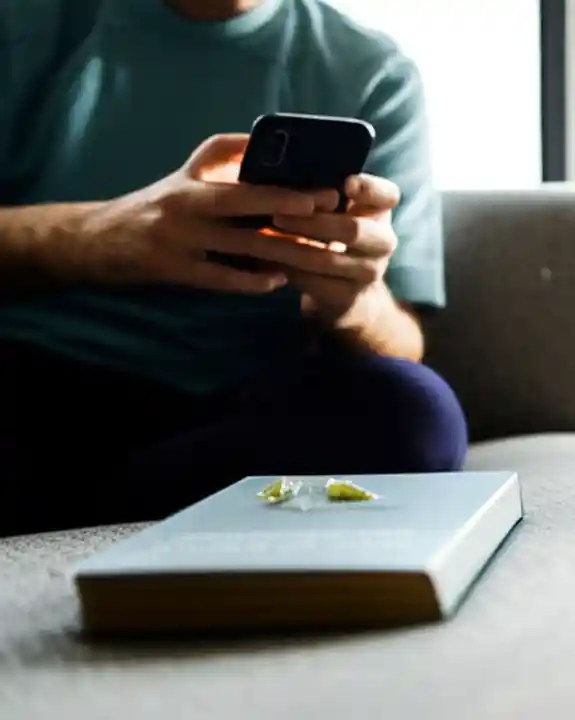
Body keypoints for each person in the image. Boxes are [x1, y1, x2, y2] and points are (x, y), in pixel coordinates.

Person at [0, 0, 468, 536]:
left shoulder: (372, 72)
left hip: (239, 403)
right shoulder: (23, 27)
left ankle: (78, 519)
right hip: (33, 375)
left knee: (415, 411)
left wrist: (352, 303)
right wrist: (101, 235)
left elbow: (404, 340)